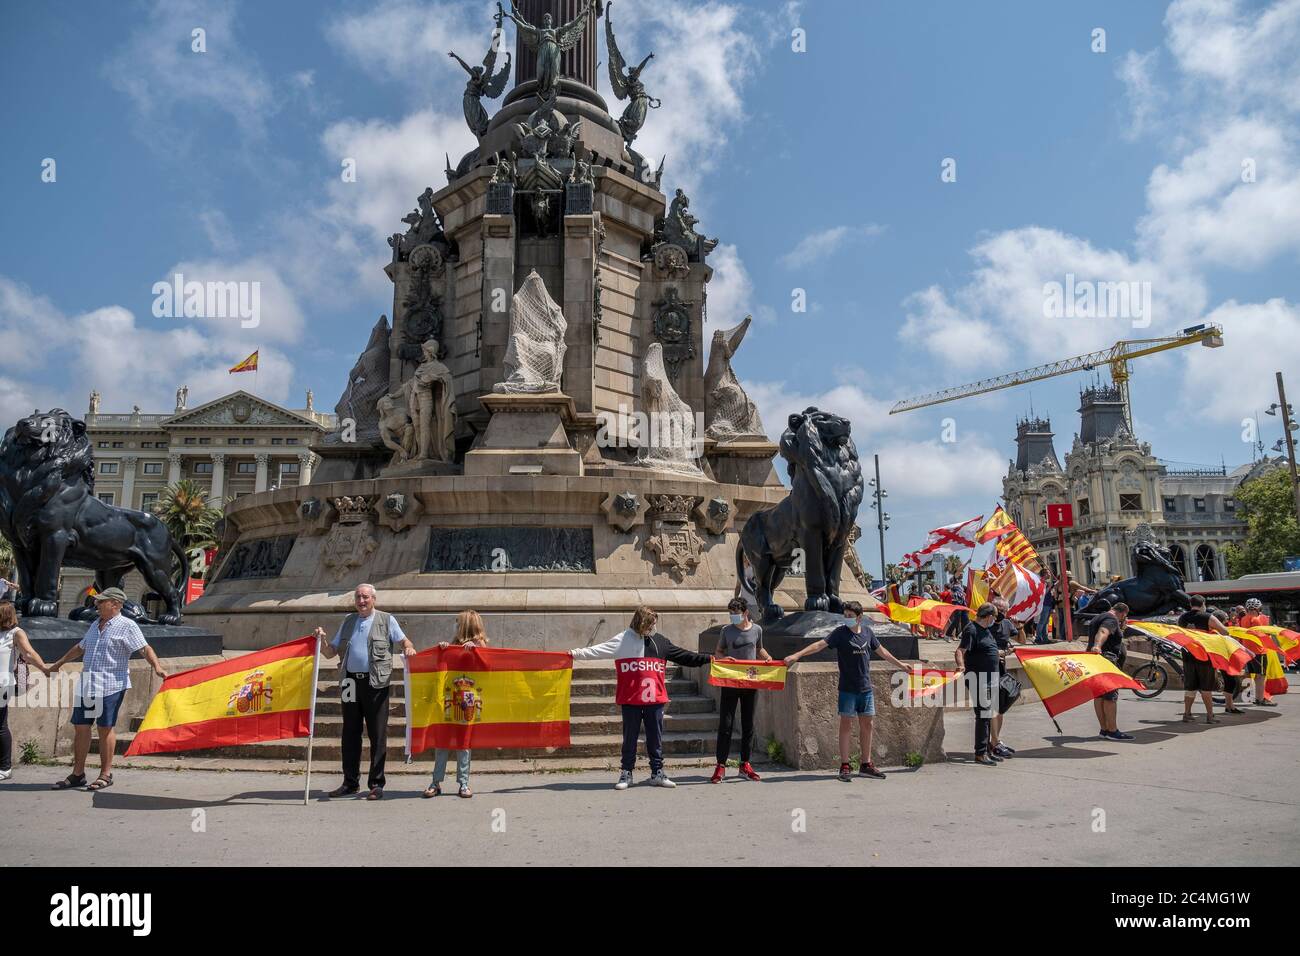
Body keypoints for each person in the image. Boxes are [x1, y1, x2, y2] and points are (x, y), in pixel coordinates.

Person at [570, 606, 711, 790]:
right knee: (630, 738)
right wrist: (574, 654)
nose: (654, 627)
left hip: (655, 700)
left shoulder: (660, 642)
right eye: (651, 623)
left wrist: (710, 658)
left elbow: (685, 656)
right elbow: (597, 650)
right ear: (641, 623)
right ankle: (626, 773)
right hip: (631, 699)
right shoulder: (622, 640)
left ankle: (657, 772)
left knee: (655, 738)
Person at [47, 588, 167, 791]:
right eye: (98, 601)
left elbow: (144, 648)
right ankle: (78, 774)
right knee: (81, 726)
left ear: (116, 605)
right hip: (88, 683)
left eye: (102, 602)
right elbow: (81, 647)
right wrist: (58, 663)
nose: (97, 604)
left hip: (111, 684)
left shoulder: (127, 625)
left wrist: (156, 666)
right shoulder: (95, 624)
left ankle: (105, 773)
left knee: (105, 728)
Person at [783, 601, 908, 781]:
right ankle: (845, 765)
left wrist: (901, 665)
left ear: (859, 617)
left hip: (865, 688)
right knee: (846, 725)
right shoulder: (840, 633)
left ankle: (866, 764)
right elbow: (819, 645)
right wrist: (797, 655)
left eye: (850, 616)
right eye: (845, 615)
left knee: (868, 725)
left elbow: (883, 652)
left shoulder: (867, 633)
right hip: (847, 688)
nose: (847, 619)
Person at [314, 584, 417, 800]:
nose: (362, 601)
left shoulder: (386, 620)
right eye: (358, 597)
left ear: (374, 599)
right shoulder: (349, 621)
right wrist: (321, 641)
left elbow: (404, 640)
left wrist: (408, 647)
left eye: (365, 597)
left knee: (377, 734)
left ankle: (376, 784)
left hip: (375, 684)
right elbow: (330, 652)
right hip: (350, 682)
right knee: (350, 733)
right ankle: (350, 782)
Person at [424, 610, 488, 799]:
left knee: (463, 742)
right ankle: (436, 782)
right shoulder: (454, 643)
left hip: (469, 696)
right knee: (442, 740)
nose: (455, 625)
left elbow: (487, 668)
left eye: (457, 622)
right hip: (450, 695)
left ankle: (464, 783)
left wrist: (476, 650)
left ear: (466, 624)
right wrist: (444, 649)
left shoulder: (480, 643)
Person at [711, 597, 770, 783]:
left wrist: (767, 657)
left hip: (750, 681)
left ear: (745, 613)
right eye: (730, 614)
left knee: (748, 724)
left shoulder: (757, 630)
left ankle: (745, 763)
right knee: (726, 725)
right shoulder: (726, 631)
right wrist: (725, 658)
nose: (732, 617)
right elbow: (718, 651)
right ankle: (720, 765)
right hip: (731, 681)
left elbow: (759, 648)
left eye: (735, 614)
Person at [0, 601, 51, 782]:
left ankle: (5, 767)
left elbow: (29, 654)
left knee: (0, 725)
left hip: (3, 684)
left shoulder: (16, 633)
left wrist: (44, 668)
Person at [956, 604, 1003, 765]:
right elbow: (960, 651)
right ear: (989, 616)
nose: (995, 620)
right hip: (979, 679)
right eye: (995, 617)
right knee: (983, 716)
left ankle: (988, 749)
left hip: (990, 678)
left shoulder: (985, 630)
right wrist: (961, 665)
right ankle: (980, 753)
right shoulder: (972, 629)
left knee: (988, 714)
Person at [1175, 594, 1231, 722]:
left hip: (1188, 655)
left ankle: (1187, 714)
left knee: (1190, 687)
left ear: (1191, 604)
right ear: (1203, 604)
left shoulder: (1182, 618)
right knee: (1206, 688)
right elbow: (1225, 632)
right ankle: (1210, 716)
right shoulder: (1208, 617)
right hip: (1204, 656)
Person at [1085, 601, 1133, 740]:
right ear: (1123, 613)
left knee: (1099, 696)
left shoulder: (1098, 617)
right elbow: (1104, 631)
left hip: (1096, 661)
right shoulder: (1112, 619)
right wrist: (1097, 645)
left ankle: (1104, 730)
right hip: (1106, 660)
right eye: (1124, 616)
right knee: (1110, 697)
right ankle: (1112, 731)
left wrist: (1122, 628)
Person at [988, 596, 1025, 759]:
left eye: (1004, 611)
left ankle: (995, 741)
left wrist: (1021, 627)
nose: (1001, 614)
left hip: (1002, 670)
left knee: (1001, 708)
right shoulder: (985, 625)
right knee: (993, 708)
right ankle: (994, 743)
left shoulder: (1007, 624)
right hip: (988, 670)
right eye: (999, 610)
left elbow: (1022, 641)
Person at [1237, 598, 1276, 707]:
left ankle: (1255, 697)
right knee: (1261, 676)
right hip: (1259, 651)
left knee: (1254, 675)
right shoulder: (1257, 619)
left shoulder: (1243, 619)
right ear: (1258, 608)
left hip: (1248, 651)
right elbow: (1263, 635)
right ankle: (1260, 699)